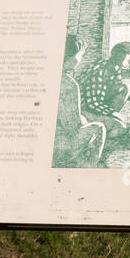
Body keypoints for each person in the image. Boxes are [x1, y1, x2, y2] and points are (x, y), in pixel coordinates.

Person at [52, 35, 106, 167]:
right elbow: (72, 127)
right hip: (59, 145)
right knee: (99, 127)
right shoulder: (70, 84)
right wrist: (83, 120)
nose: (81, 59)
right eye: (80, 55)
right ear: (70, 57)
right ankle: (88, 166)